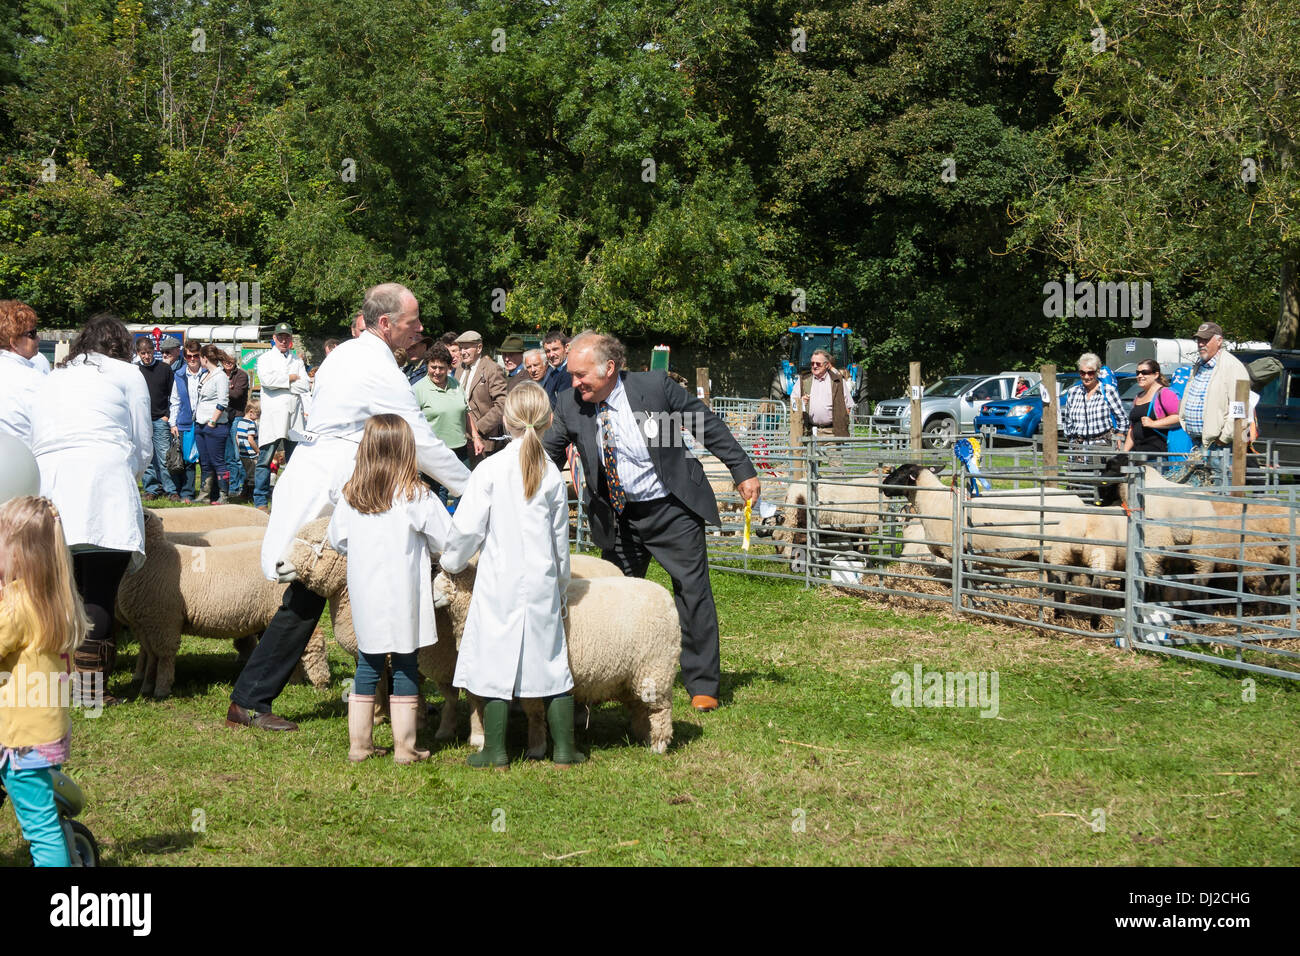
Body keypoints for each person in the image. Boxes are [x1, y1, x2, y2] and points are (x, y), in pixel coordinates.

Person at [226, 283, 470, 731]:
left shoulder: (348, 354)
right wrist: (473, 487)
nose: (419, 329)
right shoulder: (380, 370)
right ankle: (253, 698)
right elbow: (418, 439)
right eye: (412, 322)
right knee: (319, 592)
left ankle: (387, 697)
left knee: (327, 593)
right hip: (338, 486)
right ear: (386, 324)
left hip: (329, 476)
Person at [542, 332, 759, 712]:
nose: (574, 383)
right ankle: (611, 680)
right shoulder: (569, 404)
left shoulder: (656, 389)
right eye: (571, 375)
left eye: (580, 375)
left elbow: (706, 425)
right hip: (617, 516)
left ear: (609, 368)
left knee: (692, 592)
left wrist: (742, 471)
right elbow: (545, 457)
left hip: (671, 508)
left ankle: (702, 685)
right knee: (612, 600)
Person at [442, 383, 581, 767]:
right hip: (541, 582)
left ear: (506, 420)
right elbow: (559, 542)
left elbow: (467, 529)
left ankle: (496, 749)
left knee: (495, 658)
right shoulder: (552, 474)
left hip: (498, 581)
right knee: (551, 658)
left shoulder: (489, 470)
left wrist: (451, 563)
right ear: (550, 420)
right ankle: (565, 749)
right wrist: (562, 585)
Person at [28, 314, 151, 705]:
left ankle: (55, 678)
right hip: (102, 479)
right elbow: (142, 441)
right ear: (121, 345)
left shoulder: (52, 377)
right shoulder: (127, 374)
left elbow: (37, 435)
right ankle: (90, 688)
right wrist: (130, 472)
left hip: (50, 484)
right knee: (99, 586)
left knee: (64, 588)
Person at [328, 415, 452, 764]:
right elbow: (447, 538)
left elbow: (338, 540)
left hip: (367, 593)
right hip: (404, 595)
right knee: (405, 664)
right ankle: (405, 747)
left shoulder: (352, 496)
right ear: (406, 450)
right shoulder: (416, 495)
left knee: (367, 664)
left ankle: (360, 745)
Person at [0, 496, 92, 866]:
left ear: (18, 554)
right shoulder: (52, 597)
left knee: (39, 826)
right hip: (42, 730)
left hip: (21, 739)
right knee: (35, 798)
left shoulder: (16, 606)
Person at [1176, 321, 1252, 479]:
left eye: (1206, 340)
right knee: (1201, 493)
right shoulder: (1199, 365)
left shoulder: (1233, 367)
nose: (1201, 344)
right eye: (1199, 340)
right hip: (1198, 441)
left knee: (1220, 491)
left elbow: (1240, 407)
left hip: (1219, 445)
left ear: (1219, 341)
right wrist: (1184, 420)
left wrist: (1224, 437)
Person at [253, 323, 309, 510]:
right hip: (273, 415)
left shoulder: (297, 360)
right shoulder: (265, 359)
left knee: (294, 462)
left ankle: (290, 500)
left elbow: (305, 385)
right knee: (265, 460)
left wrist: (285, 380)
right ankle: (260, 500)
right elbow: (267, 381)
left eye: (287, 337)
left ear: (291, 339)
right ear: (274, 339)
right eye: (280, 337)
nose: (284, 340)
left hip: (294, 417)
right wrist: (291, 378)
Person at [413, 343, 478, 504]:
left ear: (448, 367)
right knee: (436, 497)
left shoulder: (455, 384)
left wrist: (476, 437)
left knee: (466, 493)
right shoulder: (418, 389)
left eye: (441, 367)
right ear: (427, 365)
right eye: (433, 367)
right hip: (433, 453)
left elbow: (466, 412)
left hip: (459, 449)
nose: (437, 371)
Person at [1061, 352, 1127, 490]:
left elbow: (1122, 418)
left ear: (1097, 372)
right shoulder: (1073, 392)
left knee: (1101, 489)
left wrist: (1119, 436)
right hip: (1078, 449)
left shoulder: (1108, 391)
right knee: (1078, 487)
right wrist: (1072, 441)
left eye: (1090, 373)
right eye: (1082, 373)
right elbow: (1067, 421)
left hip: (1101, 448)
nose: (1086, 377)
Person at [0, 300, 50, 446]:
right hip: (24, 460)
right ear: (14, 342)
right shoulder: (34, 380)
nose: (38, 338)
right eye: (32, 334)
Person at [135, 337, 178, 500]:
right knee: (147, 457)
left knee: (164, 456)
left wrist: (167, 416)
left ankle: (171, 489)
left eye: (149, 352)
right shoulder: (135, 371)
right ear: (138, 353)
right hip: (142, 421)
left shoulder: (165, 369)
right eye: (143, 353)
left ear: (154, 351)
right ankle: (151, 489)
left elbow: (172, 395)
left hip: (160, 418)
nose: (147, 356)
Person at [456, 330, 507, 463]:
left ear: (479, 348)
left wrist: (477, 428)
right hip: (460, 437)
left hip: (484, 440)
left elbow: (502, 404)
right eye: (461, 348)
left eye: (467, 347)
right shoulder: (460, 368)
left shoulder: (492, 369)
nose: (462, 352)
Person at [194, 345, 231, 504]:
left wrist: (212, 422)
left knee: (218, 461)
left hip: (214, 425)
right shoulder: (205, 374)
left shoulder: (220, 376)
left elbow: (222, 401)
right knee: (205, 462)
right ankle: (205, 495)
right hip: (200, 424)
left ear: (204, 358)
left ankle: (223, 495)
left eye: (199, 357)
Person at [168, 340, 204, 501]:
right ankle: (187, 493)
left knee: (206, 460)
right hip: (185, 423)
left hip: (205, 422)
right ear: (185, 356)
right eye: (189, 356)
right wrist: (173, 423)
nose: (192, 359)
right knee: (188, 460)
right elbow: (175, 400)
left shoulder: (208, 373)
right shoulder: (180, 375)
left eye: (195, 356)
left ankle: (208, 492)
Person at [790, 348, 854, 437]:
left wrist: (841, 420)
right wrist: (801, 402)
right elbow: (793, 402)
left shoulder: (838, 381)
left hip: (832, 433)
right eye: (812, 363)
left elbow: (848, 406)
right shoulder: (803, 380)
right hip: (809, 432)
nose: (814, 366)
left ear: (827, 365)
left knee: (832, 451)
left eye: (818, 364)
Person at [1124, 362, 1180, 457]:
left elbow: (1179, 417)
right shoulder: (1138, 397)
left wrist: (1153, 423)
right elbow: (1132, 428)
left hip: (1157, 455)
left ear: (1156, 374)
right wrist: (1124, 453)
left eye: (1144, 372)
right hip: (1137, 454)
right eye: (1138, 373)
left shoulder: (1165, 393)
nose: (1140, 376)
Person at [221, 353, 250, 499]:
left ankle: (241, 486)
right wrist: (228, 387)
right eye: (225, 360)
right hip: (223, 417)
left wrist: (222, 388)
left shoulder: (242, 375)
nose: (228, 363)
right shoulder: (219, 374)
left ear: (235, 361)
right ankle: (232, 486)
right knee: (228, 455)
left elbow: (237, 394)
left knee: (237, 455)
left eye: (231, 360)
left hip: (236, 416)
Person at [232, 401, 259, 499]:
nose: (258, 417)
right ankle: (250, 495)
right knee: (252, 475)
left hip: (243, 453)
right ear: (251, 412)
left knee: (247, 473)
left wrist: (240, 447)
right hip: (251, 454)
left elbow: (236, 436)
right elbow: (250, 439)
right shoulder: (251, 423)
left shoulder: (240, 422)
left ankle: (244, 493)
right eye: (258, 414)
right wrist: (257, 450)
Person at [541, 329, 570, 405]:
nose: (551, 355)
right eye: (548, 351)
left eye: (555, 349)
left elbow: (564, 406)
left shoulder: (571, 373)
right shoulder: (553, 372)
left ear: (566, 348)